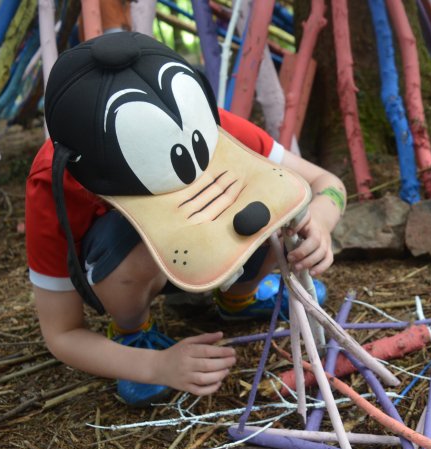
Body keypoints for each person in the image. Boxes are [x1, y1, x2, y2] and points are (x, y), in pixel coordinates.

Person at [25, 32, 347, 407]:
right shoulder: (56, 180)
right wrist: (154, 367)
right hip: (138, 267)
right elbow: (61, 332)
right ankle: (133, 329)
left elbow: (325, 183)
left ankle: (238, 296)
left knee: (273, 199)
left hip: (218, 245)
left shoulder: (197, 121)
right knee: (122, 236)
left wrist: (321, 219)